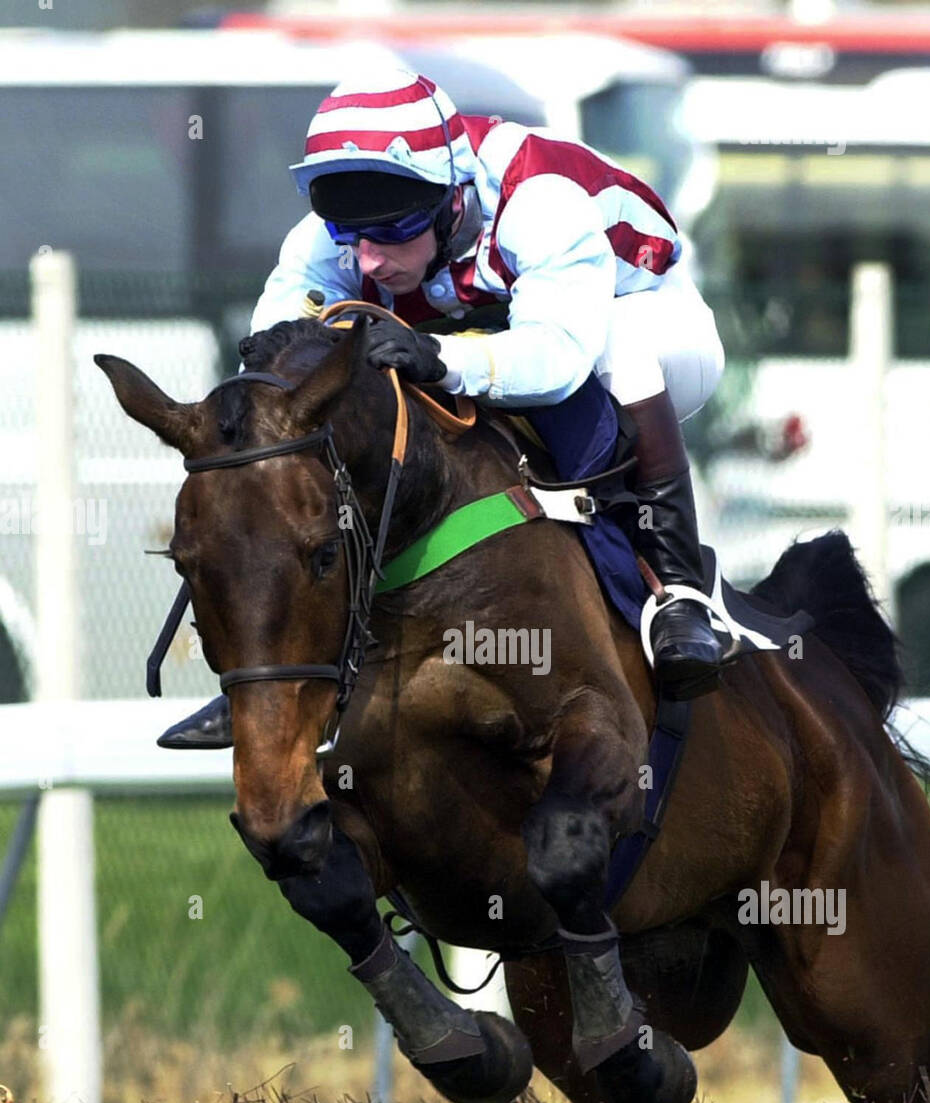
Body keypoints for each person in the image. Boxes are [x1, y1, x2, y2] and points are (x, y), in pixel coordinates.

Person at [160, 67, 725, 750]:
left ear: (452, 200)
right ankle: (281, 678)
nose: (367, 260)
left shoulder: (540, 201)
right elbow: (280, 359)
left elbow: (558, 359)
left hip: (640, 322)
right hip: (498, 327)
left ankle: (679, 592)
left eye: (393, 231)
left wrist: (442, 356)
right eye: (348, 231)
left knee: (621, 347)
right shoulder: (336, 239)